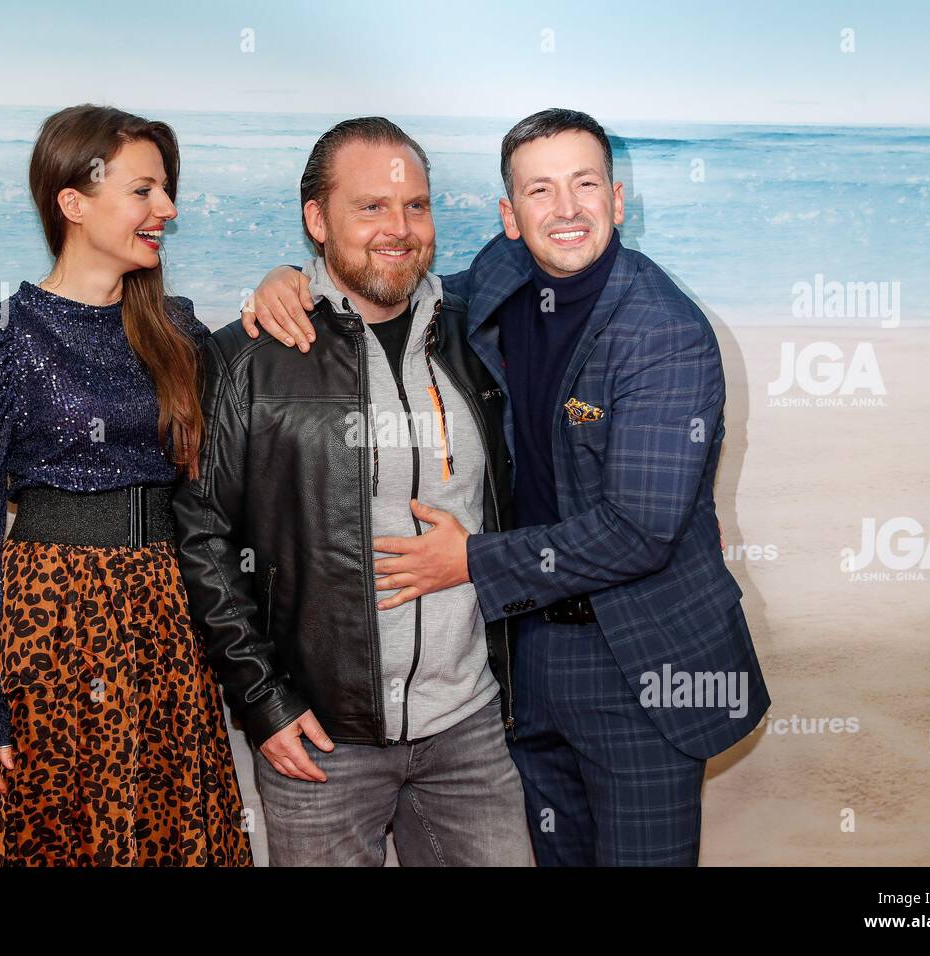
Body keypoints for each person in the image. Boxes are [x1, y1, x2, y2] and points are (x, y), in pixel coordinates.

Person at [244, 108, 770, 866]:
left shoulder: (665, 333)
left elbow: (640, 530)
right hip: (525, 664)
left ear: (617, 201)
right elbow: (395, 286)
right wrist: (294, 279)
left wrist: (470, 561)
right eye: (540, 190)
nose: (566, 210)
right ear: (510, 216)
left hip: (640, 664)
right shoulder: (501, 278)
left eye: (586, 185)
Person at [172, 117, 532, 866]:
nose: (398, 229)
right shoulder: (249, 359)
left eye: (416, 206)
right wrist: (264, 701)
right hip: (320, 741)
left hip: (469, 727)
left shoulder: (479, 338)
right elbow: (200, 539)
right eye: (370, 207)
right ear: (316, 220)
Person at [0, 104, 251, 866]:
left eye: (167, 191)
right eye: (144, 191)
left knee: (166, 832)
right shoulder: (2, 337)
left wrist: (282, 282)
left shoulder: (176, 327)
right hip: (51, 622)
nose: (167, 210)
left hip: (167, 616)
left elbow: (223, 473)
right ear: (73, 203)